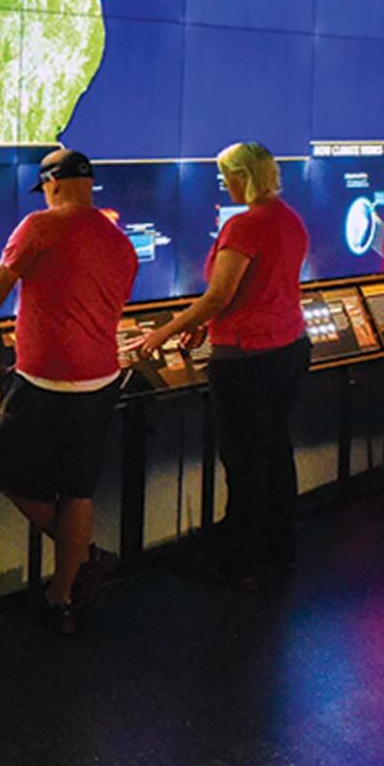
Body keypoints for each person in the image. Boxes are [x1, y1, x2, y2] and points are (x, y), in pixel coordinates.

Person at [0, 147, 137, 635]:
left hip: (44, 382)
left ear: (52, 184)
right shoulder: (120, 241)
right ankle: (62, 595)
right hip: (100, 380)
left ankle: (85, 558)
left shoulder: (39, 226)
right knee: (77, 489)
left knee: (9, 475)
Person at [135, 142, 310, 589]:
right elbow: (256, 289)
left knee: (244, 461)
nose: (224, 184)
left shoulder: (245, 227)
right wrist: (208, 322)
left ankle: (237, 563)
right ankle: (281, 550)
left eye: (226, 175)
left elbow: (219, 294)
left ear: (242, 177)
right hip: (289, 348)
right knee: (276, 450)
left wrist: (162, 332)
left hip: (246, 359)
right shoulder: (289, 219)